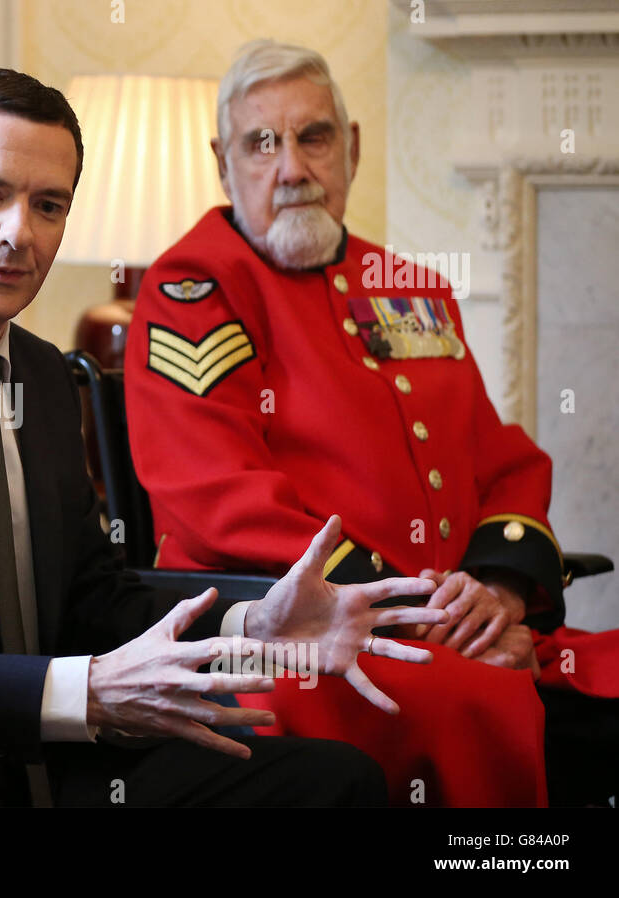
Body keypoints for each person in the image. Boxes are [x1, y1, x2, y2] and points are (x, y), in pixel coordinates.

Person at [0, 67, 448, 807]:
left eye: (48, 205)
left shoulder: (43, 377)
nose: (20, 233)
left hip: (75, 763)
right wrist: (83, 691)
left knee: (339, 781)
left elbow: (89, 596)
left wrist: (252, 623)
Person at [126, 39, 618, 806]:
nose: (291, 168)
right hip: (303, 643)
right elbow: (222, 502)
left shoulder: (408, 288)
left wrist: (498, 593)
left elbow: (503, 463)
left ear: (350, 151)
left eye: (313, 137)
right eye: (262, 143)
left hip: (456, 626)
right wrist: (428, 620)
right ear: (223, 161)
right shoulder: (196, 286)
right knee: (483, 704)